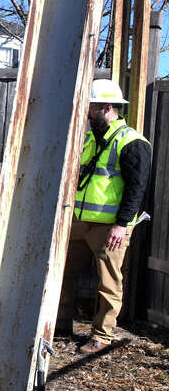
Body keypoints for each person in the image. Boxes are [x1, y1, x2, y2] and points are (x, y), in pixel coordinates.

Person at [57, 78, 152, 354]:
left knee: (109, 282)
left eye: (91, 107)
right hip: (79, 221)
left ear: (107, 107)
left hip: (110, 227)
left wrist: (121, 225)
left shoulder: (132, 142)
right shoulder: (89, 139)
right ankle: (61, 325)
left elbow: (137, 189)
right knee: (61, 273)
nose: (86, 112)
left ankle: (102, 336)